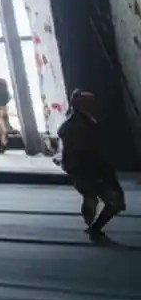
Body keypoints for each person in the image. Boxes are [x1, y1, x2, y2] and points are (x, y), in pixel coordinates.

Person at [57, 89, 127, 236]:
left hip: (89, 170)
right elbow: (87, 152)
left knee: (92, 197)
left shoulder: (80, 123)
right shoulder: (81, 126)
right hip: (91, 170)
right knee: (110, 200)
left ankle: (92, 225)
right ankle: (93, 227)